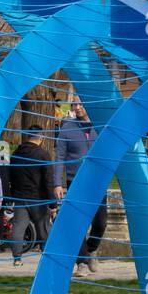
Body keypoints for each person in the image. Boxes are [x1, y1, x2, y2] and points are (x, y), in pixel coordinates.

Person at [55, 100, 102, 275]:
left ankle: (90, 250)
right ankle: (81, 262)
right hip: (74, 181)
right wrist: (57, 183)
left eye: (80, 104)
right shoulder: (67, 128)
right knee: (77, 222)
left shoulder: (101, 126)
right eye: (74, 104)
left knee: (100, 222)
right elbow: (59, 157)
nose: (77, 107)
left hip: (98, 182)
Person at [7, 127, 56, 265]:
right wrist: (53, 205)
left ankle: (17, 258)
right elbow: (48, 181)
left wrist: (12, 196)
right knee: (44, 228)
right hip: (38, 198)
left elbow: (11, 177)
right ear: (41, 138)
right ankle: (47, 257)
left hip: (20, 197)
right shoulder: (43, 154)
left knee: (18, 227)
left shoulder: (16, 153)